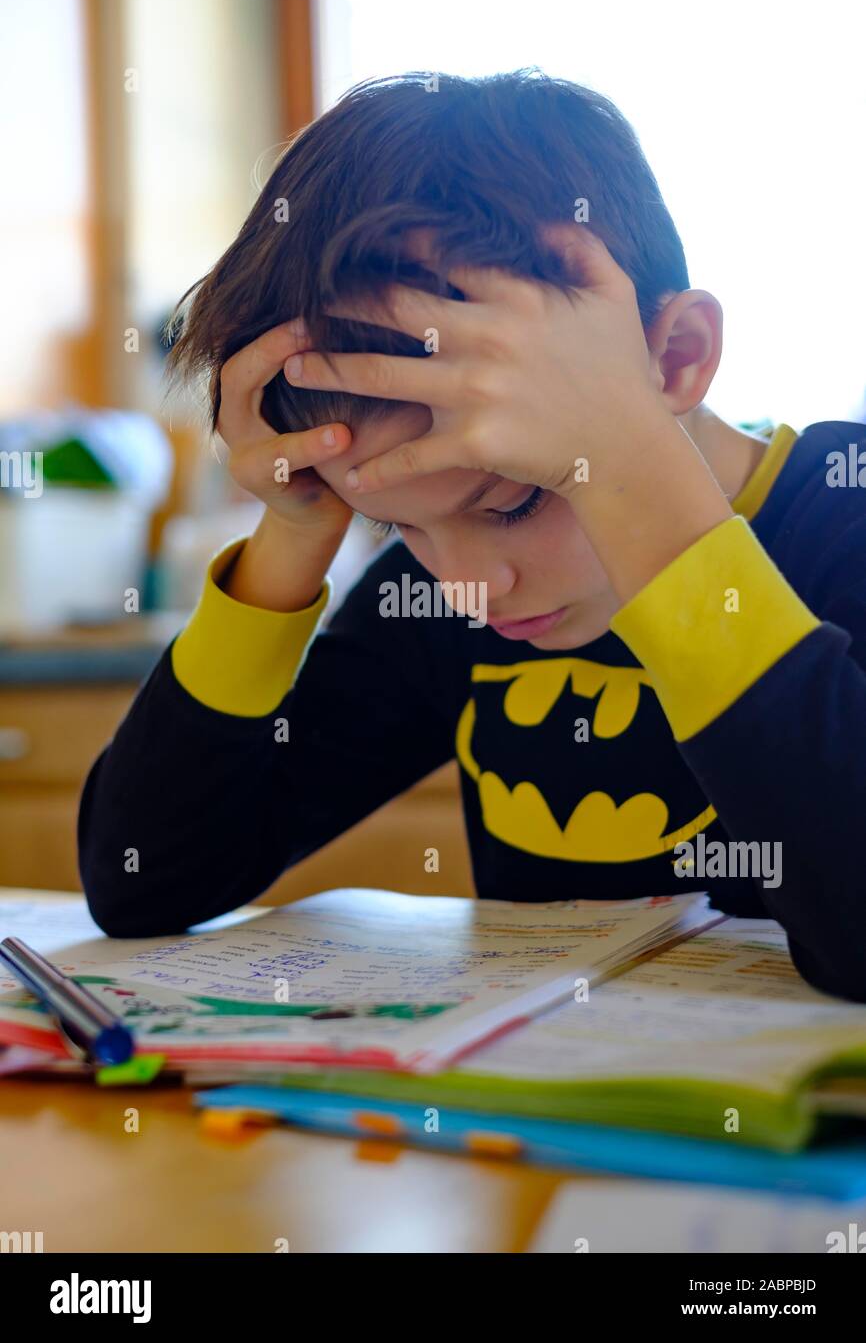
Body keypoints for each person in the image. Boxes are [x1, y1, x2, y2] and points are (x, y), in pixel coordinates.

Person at [79, 71, 866, 1001]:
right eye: (396, 522)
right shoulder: (439, 593)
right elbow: (144, 879)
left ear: (678, 356)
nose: (469, 586)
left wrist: (630, 465)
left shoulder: (837, 521)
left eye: (513, 504)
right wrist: (293, 534)